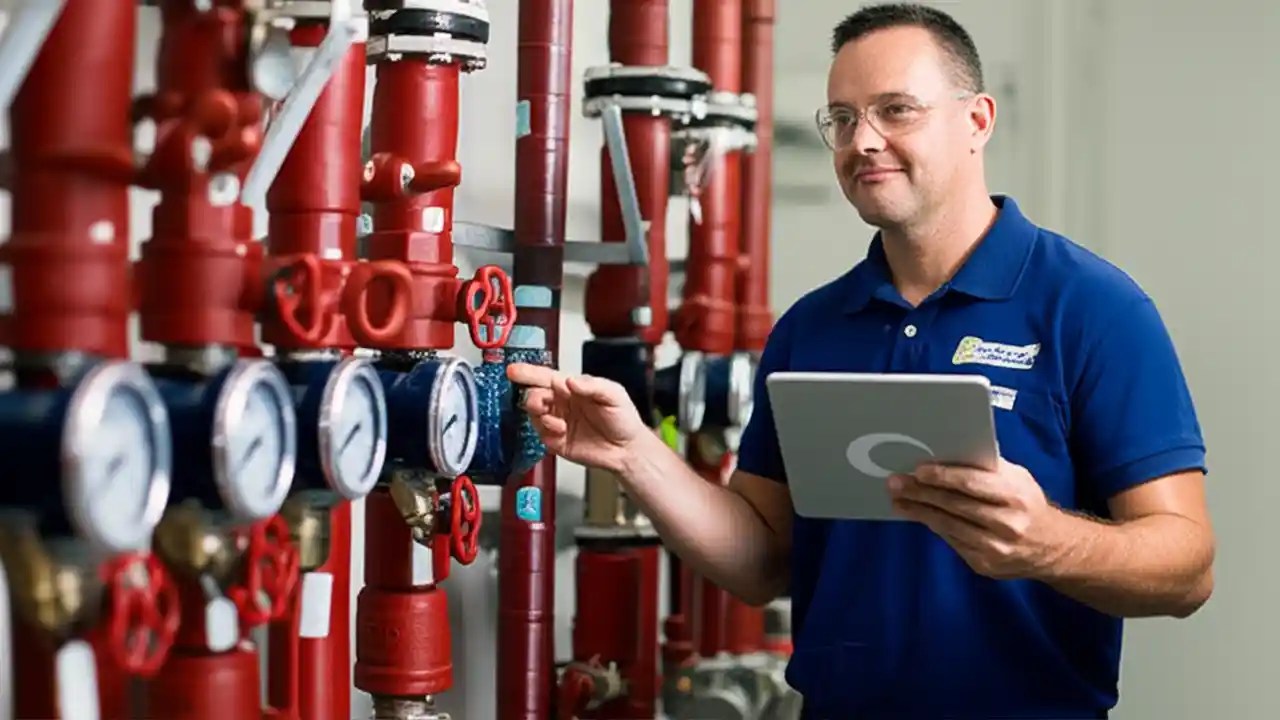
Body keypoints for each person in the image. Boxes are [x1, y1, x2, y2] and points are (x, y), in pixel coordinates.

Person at [508, 3, 1216, 717]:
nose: (864, 141)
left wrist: (1045, 543)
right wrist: (636, 457)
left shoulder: (1093, 308)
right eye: (842, 119)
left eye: (896, 110)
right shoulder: (812, 328)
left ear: (977, 121)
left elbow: (1187, 567)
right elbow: (761, 562)